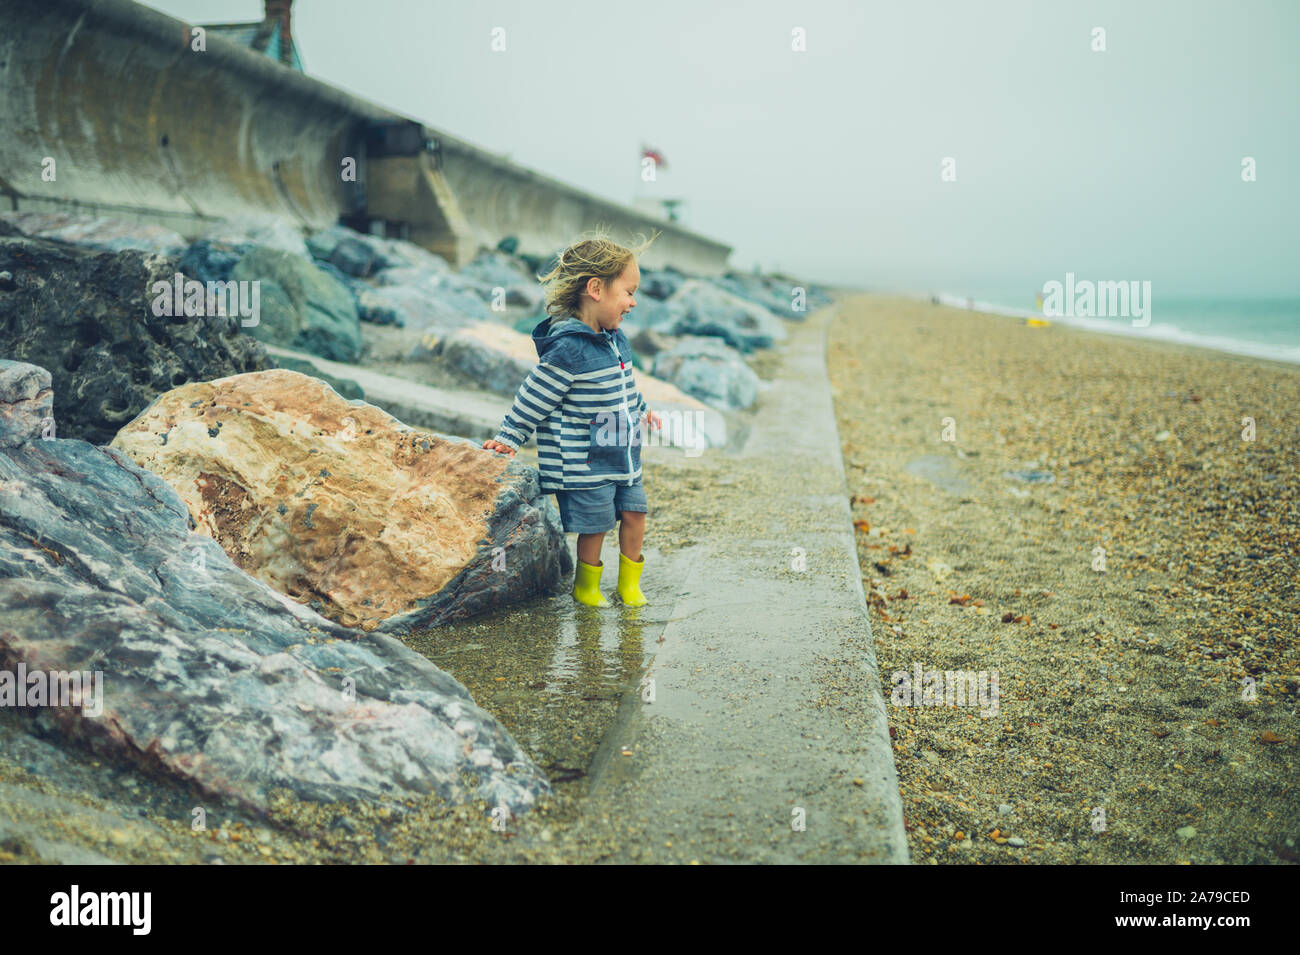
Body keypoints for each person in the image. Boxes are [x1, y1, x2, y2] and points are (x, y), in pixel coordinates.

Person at [482, 231, 663, 607]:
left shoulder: (616, 339)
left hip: (623, 455)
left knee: (635, 513)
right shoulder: (568, 348)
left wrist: (642, 409)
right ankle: (587, 586)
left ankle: (629, 584)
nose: (632, 302)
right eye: (628, 292)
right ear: (596, 288)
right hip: (585, 462)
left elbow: (626, 384)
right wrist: (510, 436)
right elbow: (535, 396)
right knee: (594, 526)